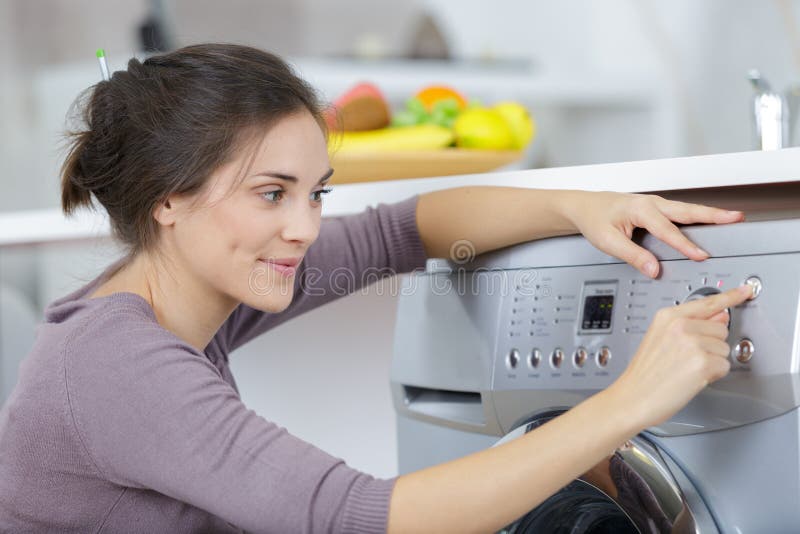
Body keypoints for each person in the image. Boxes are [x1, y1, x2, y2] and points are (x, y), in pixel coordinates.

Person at [0, 43, 752, 533]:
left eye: (316, 193)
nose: (303, 227)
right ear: (168, 199)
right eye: (271, 193)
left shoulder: (192, 297)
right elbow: (366, 518)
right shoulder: (118, 365)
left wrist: (575, 206)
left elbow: (406, 228)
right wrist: (632, 400)